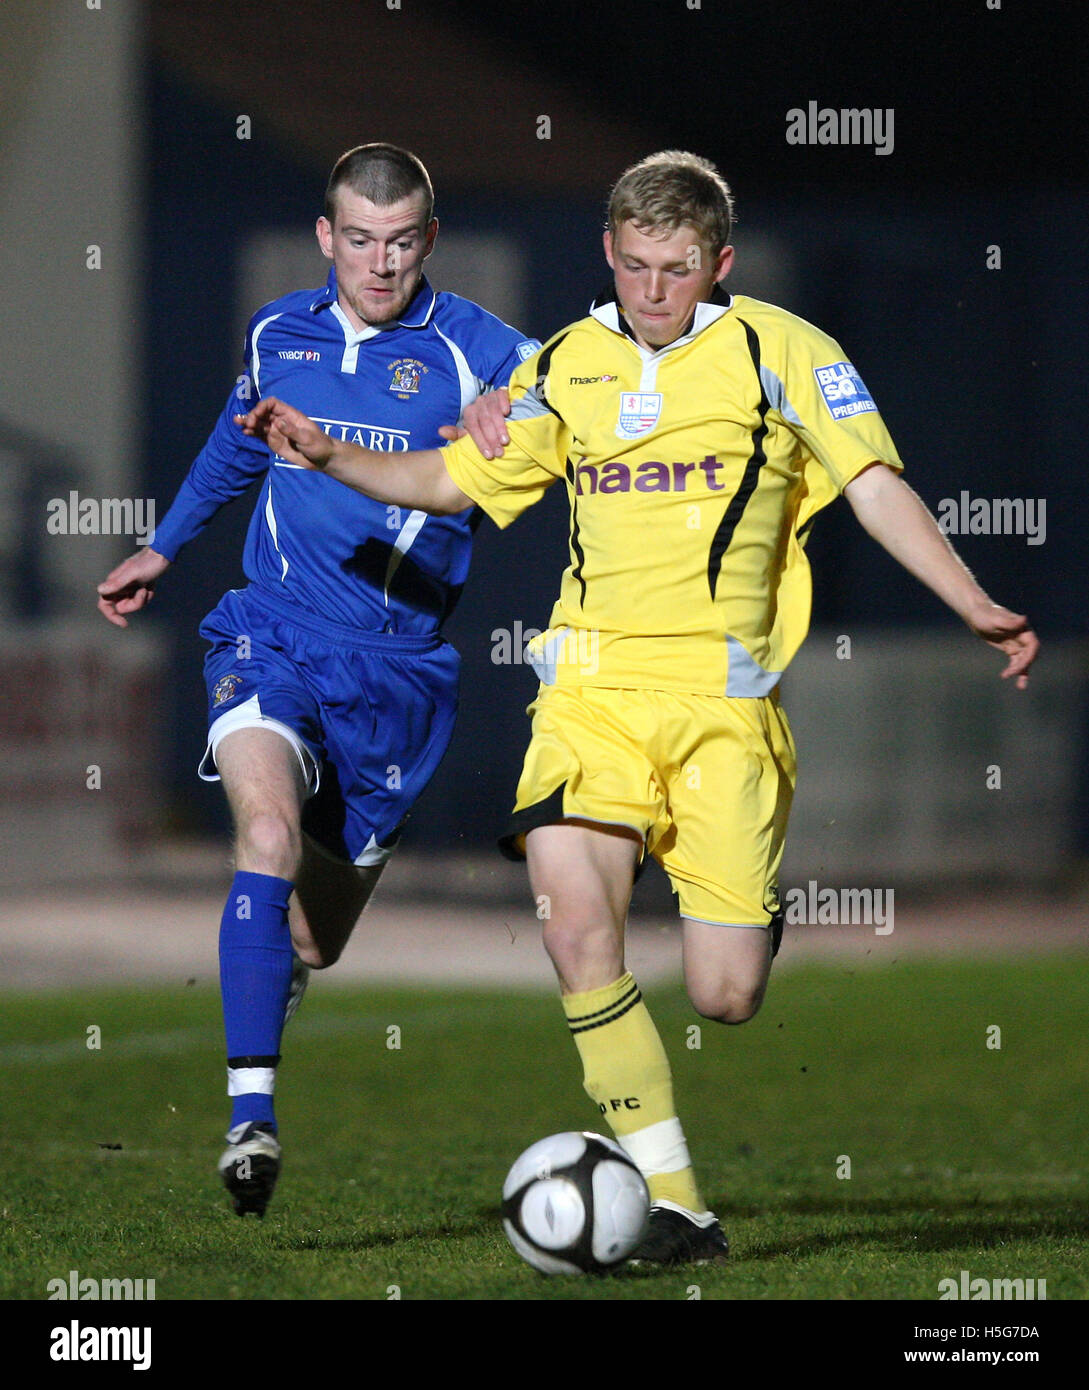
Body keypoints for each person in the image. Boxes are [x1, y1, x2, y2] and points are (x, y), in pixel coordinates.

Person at [236, 150, 1040, 1262]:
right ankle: (680, 1205)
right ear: (607, 254)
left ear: (720, 262)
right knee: (574, 922)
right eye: (634, 266)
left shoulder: (782, 351)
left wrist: (973, 599)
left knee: (725, 995)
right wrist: (331, 455)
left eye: (677, 269)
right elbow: (449, 480)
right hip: (588, 696)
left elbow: (872, 482)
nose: (653, 291)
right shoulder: (564, 363)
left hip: (723, 709)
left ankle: (745, 926)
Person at [97, 143, 539, 1218]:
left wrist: (526, 415)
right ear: (325, 237)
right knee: (263, 835)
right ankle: (252, 1113)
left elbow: (591, 389)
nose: (378, 264)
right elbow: (234, 441)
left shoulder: (486, 349)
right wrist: (163, 542)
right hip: (274, 633)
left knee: (313, 938)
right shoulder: (277, 333)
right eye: (359, 240)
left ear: (427, 241)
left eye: (400, 243)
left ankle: (275, 972)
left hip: (401, 674)